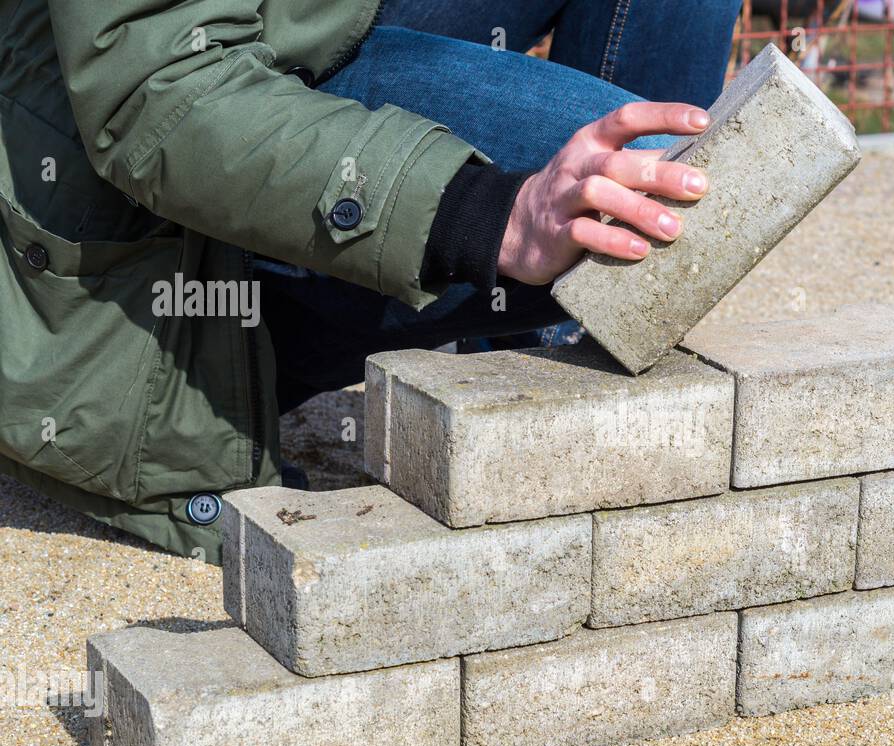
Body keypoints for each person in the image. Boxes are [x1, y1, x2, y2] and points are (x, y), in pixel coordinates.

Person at [0, 0, 743, 560]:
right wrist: (485, 214)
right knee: (654, 190)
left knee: (663, 182)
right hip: (171, 237)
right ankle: (533, 396)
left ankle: (543, 376)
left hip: (295, 30)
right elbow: (159, 90)